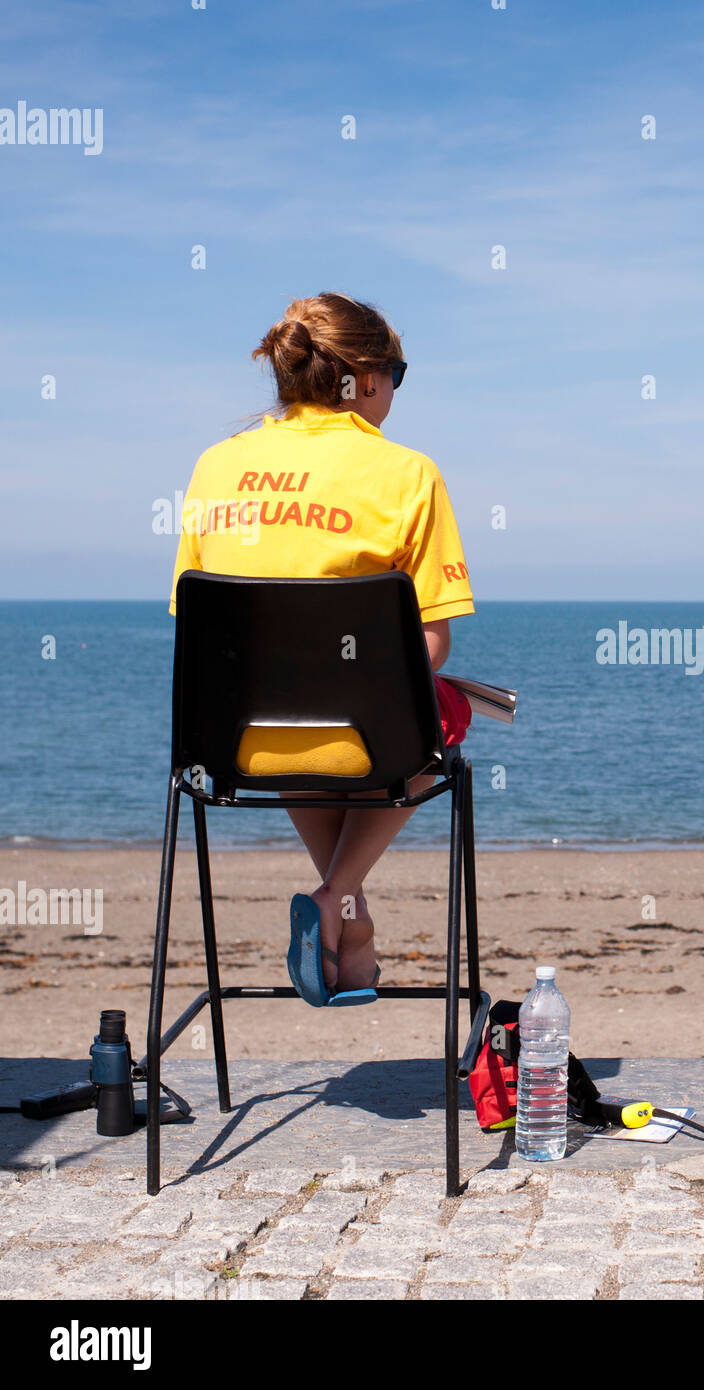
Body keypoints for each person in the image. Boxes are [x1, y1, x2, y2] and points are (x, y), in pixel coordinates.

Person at [168, 292, 475, 1003]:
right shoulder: (408, 474)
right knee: (442, 711)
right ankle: (341, 897)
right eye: (399, 372)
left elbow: (200, 632)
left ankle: (350, 923)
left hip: (236, 744)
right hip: (367, 744)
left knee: (295, 698)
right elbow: (429, 645)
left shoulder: (213, 468)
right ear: (366, 378)